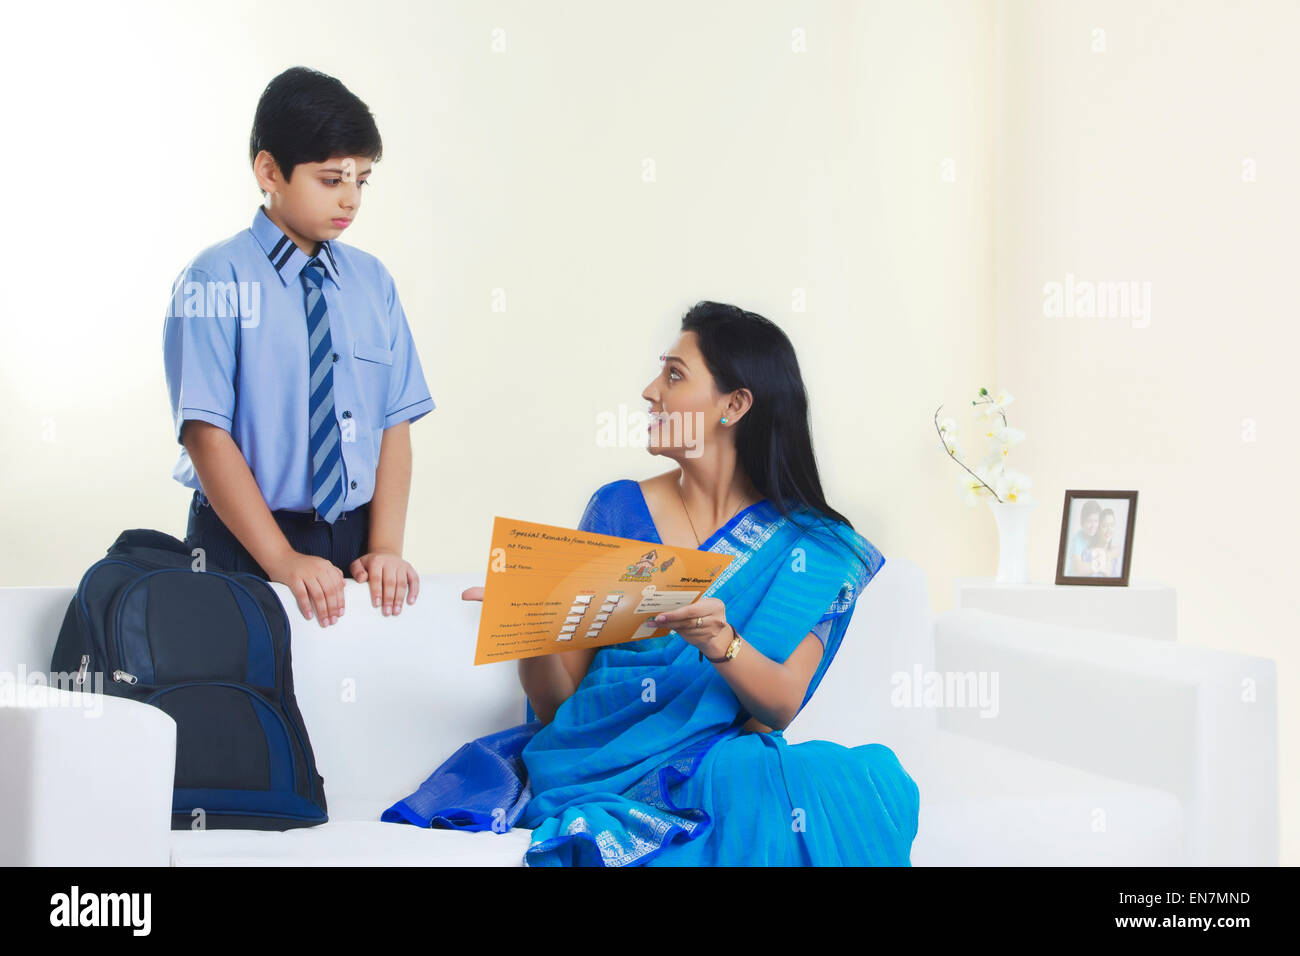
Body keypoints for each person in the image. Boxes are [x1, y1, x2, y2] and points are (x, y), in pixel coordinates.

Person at [383, 301, 920, 866]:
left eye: (675, 375)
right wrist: (532, 624)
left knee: (863, 780)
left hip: (714, 760)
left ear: (734, 405)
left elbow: (777, 709)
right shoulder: (619, 509)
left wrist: (722, 643)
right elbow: (557, 707)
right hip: (594, 760)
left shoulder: (812, 545)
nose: (649, 391)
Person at [162, 67, 434, 627]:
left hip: (351, 545)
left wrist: (384, 546)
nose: (351, 199)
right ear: (270, 170)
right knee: (243, 699)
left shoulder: (373, 282)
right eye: (332, 179)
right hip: (244, 540)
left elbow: (394, 423)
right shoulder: (215, 279)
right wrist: (281, 559)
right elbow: (206, 434)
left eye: (362, 181)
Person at [1068, 500, 1102, 575]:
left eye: (1096, 521)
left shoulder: (1100, 535)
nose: (1093, 526)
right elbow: (1078, 570)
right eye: (1089, 521)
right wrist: (1101, 564)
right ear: (1082, 522)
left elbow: (1116, 549)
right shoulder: (1077, 540)